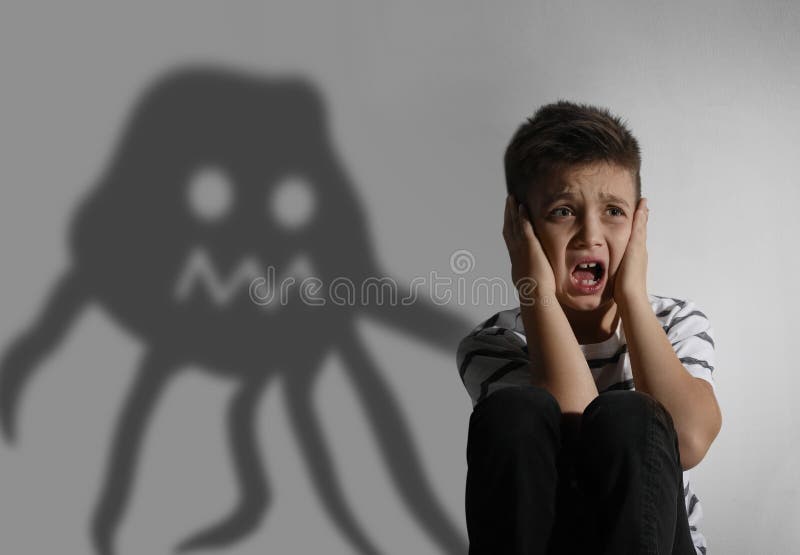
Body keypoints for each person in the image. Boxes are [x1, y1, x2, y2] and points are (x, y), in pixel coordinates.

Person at [457, 100, 722, 554]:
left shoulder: (676, 321)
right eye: (563, 211)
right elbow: (578, 441)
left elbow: (691, 440)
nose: (590, 235)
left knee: (631, 416)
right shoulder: (495, 343)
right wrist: (534, 290)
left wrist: (633, 296)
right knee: (514, 410)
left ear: (638, 223)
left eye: (614, 211)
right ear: (521, 227)